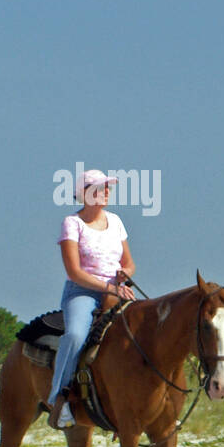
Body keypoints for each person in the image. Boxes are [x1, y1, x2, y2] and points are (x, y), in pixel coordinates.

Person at [46, 169, 137, 428]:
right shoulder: (71, 224)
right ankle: (60, 398)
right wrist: (108, 288)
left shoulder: (116, 221)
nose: (106, 192)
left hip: (117, 290)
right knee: (75, 335)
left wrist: (123, 275)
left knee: (147, 329)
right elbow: (74, 272)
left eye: (107, 188)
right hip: (82, 292)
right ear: (84, 194)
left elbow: (129, 263)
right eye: (99, 188)